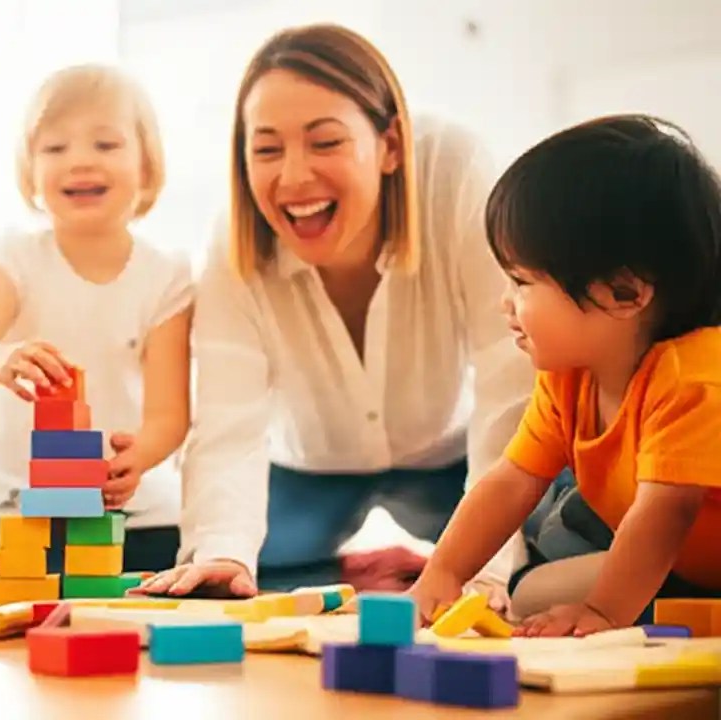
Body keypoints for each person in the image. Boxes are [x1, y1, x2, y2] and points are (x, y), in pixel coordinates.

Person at [137, 24, 536, 600]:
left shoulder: (457, 173)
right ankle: (361, 567)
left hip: (450, 463)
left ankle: (411, 563)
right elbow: (227, 424)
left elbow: (510, 379)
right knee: (230, 562)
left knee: (545, 554)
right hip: (308, 473)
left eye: (325, 142)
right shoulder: (232, 242)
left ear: (390, 146)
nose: (294, 177)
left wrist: (486, 572)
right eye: (267, 149)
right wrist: (222, 551)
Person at [410, 114, 721, 636]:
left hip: (681, 549)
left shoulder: (694, 379)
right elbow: (510, 482)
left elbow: (665, 515)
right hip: (682, 563)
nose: (504, 303)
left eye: (521, 282)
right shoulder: (569, 377)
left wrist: (603, 613)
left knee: (600, 593)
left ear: (624, 292)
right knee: (531, 594)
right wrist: (441, 574)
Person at [0, 64, 193, 594]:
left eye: (106, 144)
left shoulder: (166, 276)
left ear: (147, 167)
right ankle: (58, 575)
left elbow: (168, 413)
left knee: (174, 547)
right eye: (55, 148)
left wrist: (137, 458)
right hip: (7, 492)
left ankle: (77, 574)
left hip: (109, 497)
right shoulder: (18, 257)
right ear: (30, 173)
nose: (80, 160)